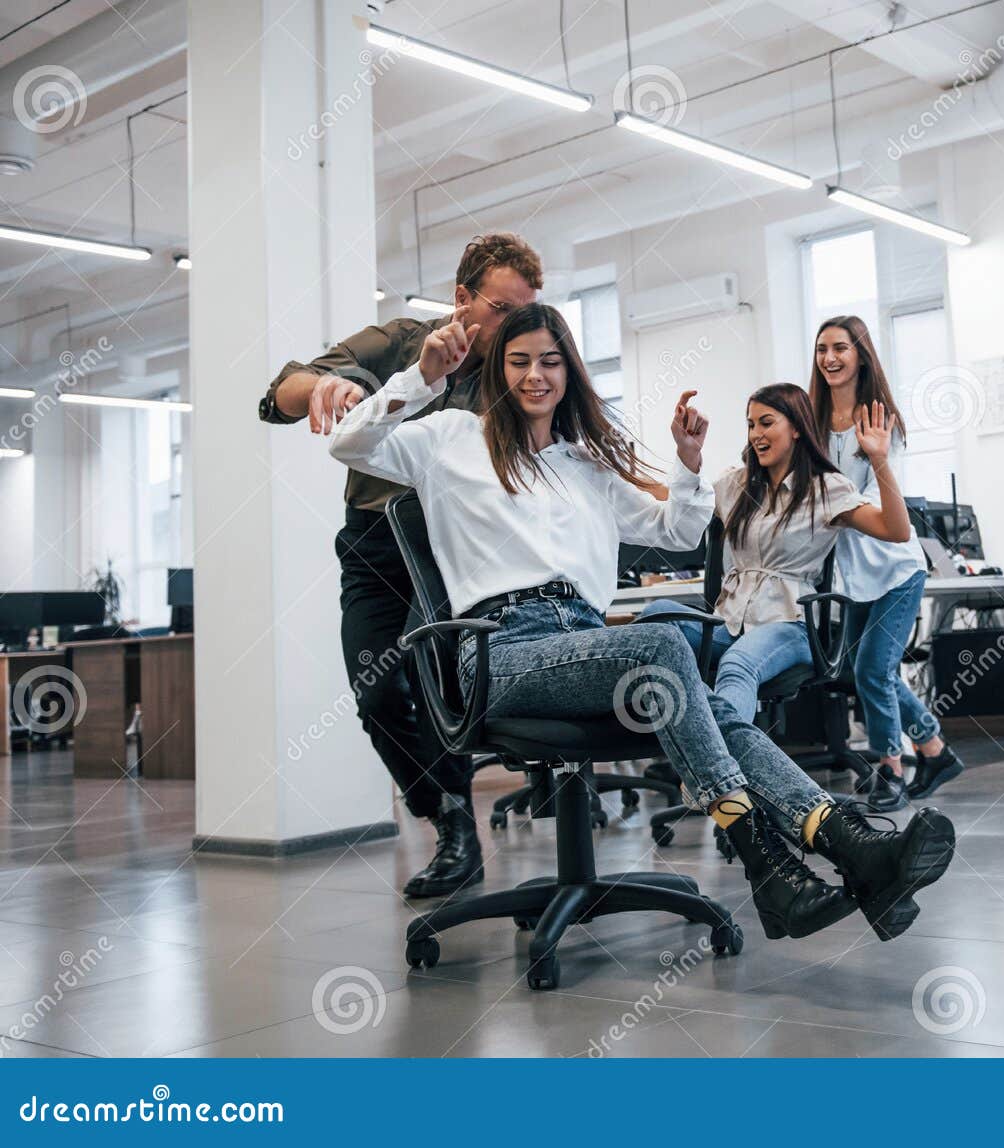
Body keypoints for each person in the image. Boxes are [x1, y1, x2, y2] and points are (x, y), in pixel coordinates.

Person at [328, 302, 956, 944]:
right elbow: (349, 442)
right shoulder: (450, 438)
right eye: (519, 362)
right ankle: (780, 862)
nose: (535, 375)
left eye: (550, 362)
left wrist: (688, 462)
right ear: (499, 371)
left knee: (710, 705)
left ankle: (848, 852)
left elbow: (678, 531)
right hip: (500, 651)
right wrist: (424, 377)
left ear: (569, 373)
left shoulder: (586, 464)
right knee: (660, 638)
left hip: (585, 643)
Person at [258, 233, 542, 899]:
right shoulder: (401, 342)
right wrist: (326, 386)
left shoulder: (518, 372)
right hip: (375, 545)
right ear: (463, 298)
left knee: (433, 670)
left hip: (453, 549)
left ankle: (461, 820)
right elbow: (281, 393)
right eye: (502, 310)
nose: (515, 325)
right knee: (376, 690)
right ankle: (445, 816)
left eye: (526, 311)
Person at [638, 383, 912, 724]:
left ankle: (723, 757)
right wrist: (682, 453)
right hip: (729, 624)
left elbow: (896, 530)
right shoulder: (736, 484)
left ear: (796, 428)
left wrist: (879, 459)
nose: (756, 434)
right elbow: (674, 496)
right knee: (655, 616)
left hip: (789, 626)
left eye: (766, 423)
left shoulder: (826, 488)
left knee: (737, 664)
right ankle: (658, 737)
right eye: (751, 425)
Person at [811, 316, 964, 810]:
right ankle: (935, 751)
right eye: (822, 349)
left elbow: (880, 499)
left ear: (860, 355)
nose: (829, 358)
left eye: (840, 348)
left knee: (873, 671)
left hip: (896, 567)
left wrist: (832, 504)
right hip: (855, 574)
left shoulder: (877, 418)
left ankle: (890, 770)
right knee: (870, 672)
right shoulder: (813, 421)